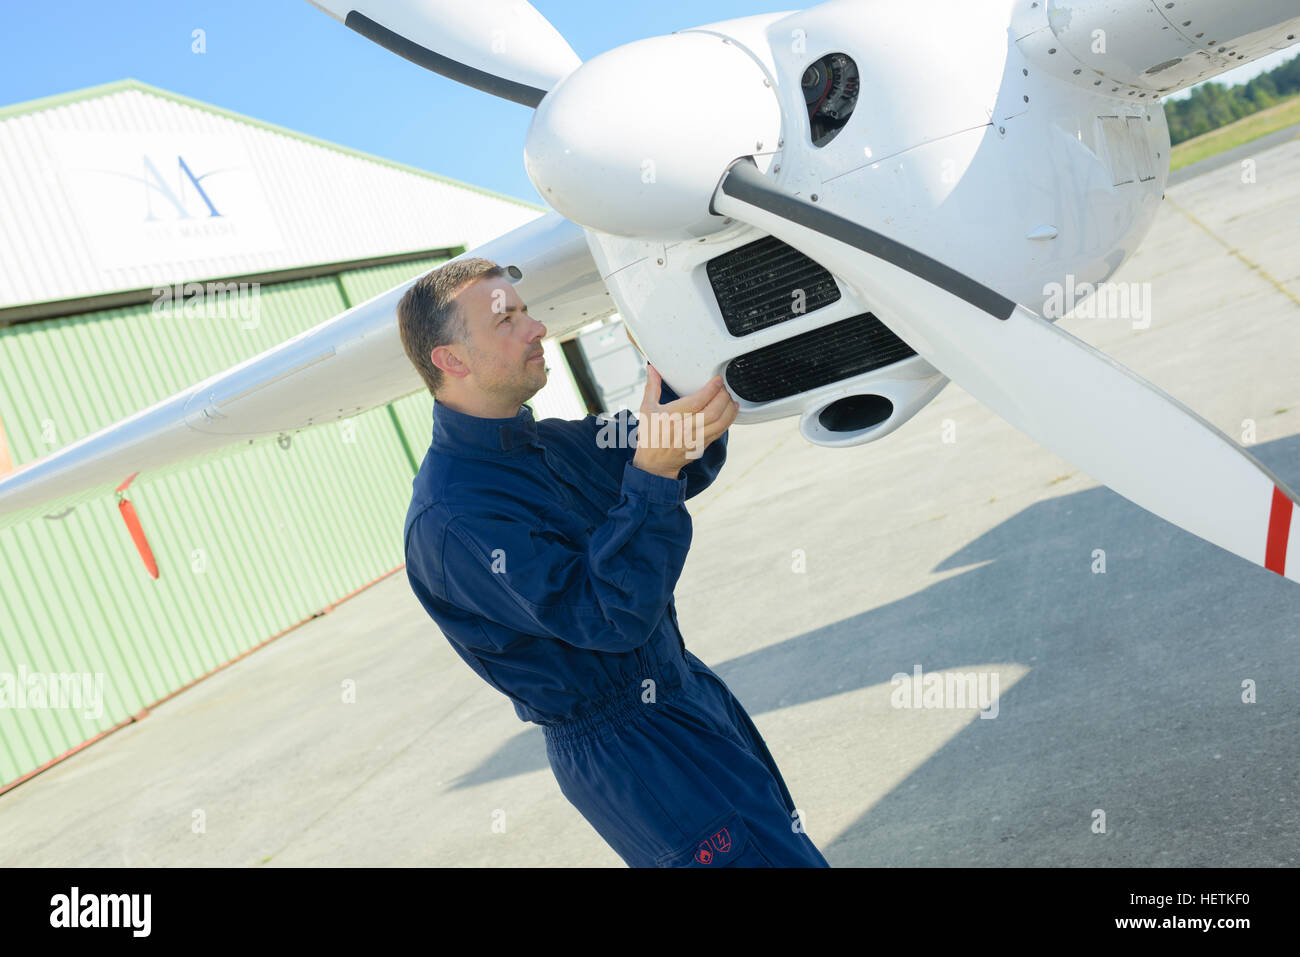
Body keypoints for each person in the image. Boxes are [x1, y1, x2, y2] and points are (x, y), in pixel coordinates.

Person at [397, 256, 829, 867]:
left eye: (526, 311)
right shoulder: (454, 519)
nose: (537, 328)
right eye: (507, 320)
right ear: (451, 359)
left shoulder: (546, 447)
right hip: (634, 746)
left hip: (684, 696)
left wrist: (671, 339)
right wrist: (654, 472)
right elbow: (607, 615)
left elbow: (685, 453)